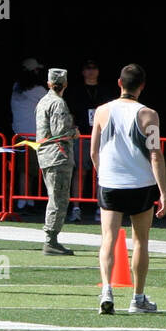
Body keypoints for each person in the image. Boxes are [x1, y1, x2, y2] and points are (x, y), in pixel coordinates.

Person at [91, 63, 166, 314]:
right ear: (142, 86)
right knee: (141, 241)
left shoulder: (102, 111)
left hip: (111, 182)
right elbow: (155, 154)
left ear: (119, 83)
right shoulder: (149, 115)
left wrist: (103, 173)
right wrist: (164, 192)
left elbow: (93, 150)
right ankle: (138, 297)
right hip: (141, 185)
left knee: (108, 240)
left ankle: (106, 290)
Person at [35, 67, 77, 254]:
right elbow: (60, 131)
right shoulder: (58, 103)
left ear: (49, 84)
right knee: (59, 199)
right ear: (66, 84)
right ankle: (51, 239)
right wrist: (74, 132)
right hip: (58, 156)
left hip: (46, 155)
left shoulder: (43, 101)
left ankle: (51, 238)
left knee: (55, 196)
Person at [67, 58, 107, 222]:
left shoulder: (105, 91)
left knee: (102, 173)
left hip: (102, 136)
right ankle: (76, 208)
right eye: (87, 68)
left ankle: (101, 208)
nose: (91, 71)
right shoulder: (76, 91)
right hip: (82, 135)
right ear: (83, 72)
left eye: (94, 67)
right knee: (79, 172)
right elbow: (69, 113)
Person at [10, 57, 45, 211]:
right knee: (27, 170)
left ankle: (26, 199)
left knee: (24, 170)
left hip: (18, 134)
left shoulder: (16, 87)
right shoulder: (39, 90)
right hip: (32, 136)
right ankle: (24, 201)